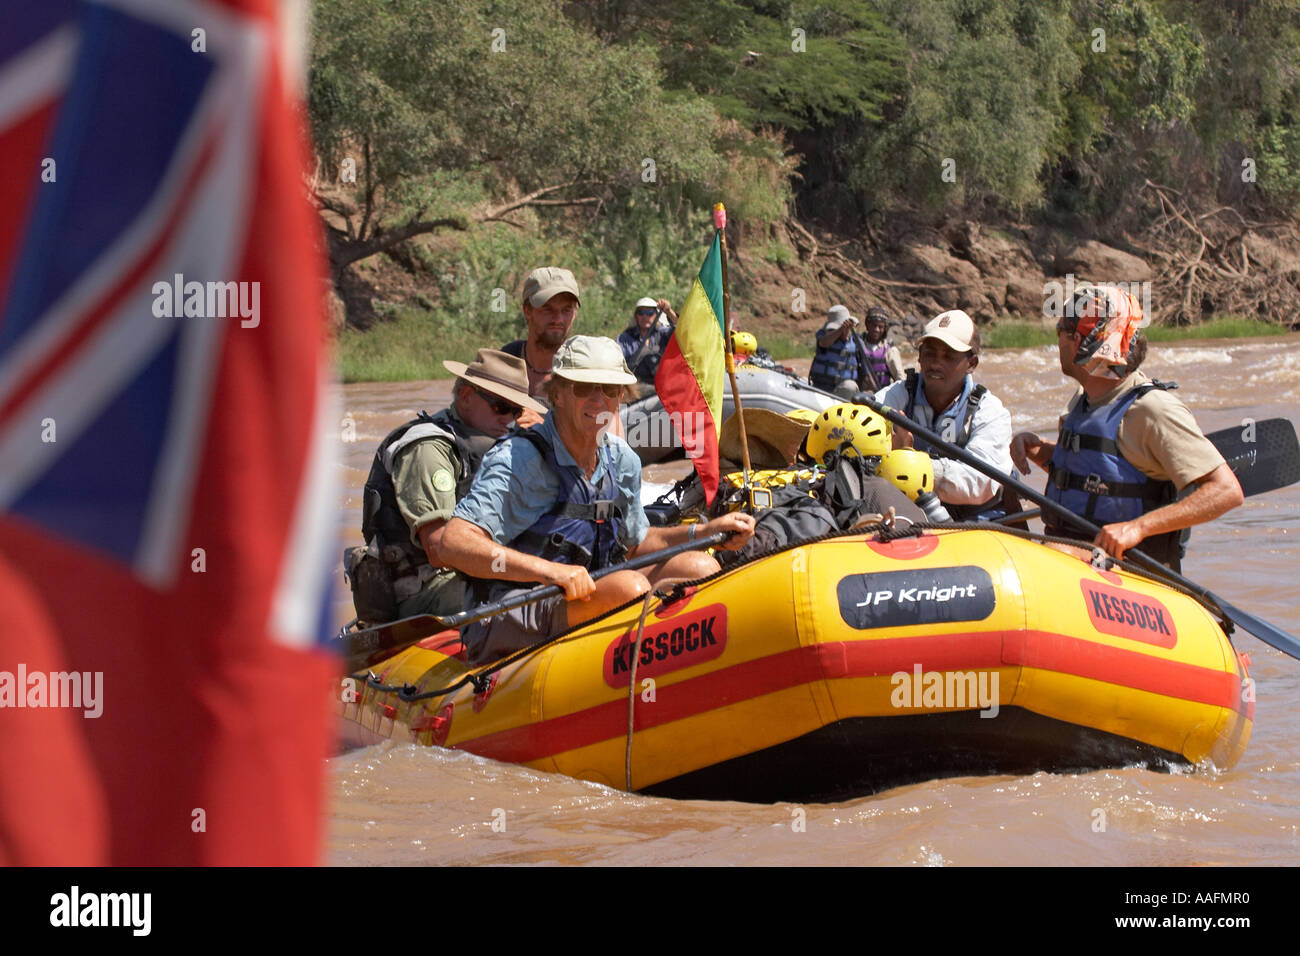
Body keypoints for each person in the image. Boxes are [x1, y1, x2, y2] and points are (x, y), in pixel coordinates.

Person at [440, 335, 756, 665]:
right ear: (558, 394)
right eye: (584, 388)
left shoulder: (622, 460)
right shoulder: (517, 461)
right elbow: (454, 542)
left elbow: (635, 544)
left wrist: (704, 533)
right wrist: (551, 573)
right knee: (628, 590)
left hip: (587, 598)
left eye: (610, 389)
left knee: (699, 566)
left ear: (622, 396)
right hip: (509, 610)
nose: (599, 400)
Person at [1010, 284, 1242, 570]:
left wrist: (1136, 528)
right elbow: (1100, 478)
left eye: (1063, 328)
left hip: (1128, 572)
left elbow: (1227, 490)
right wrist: (1041, 452)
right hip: (1076, 559)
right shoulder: (1085, 402)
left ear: (1087, 342)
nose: (1058, 337)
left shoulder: (1153, 409)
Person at [350, 349, 547, 622]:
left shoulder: (504, 444)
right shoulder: (429, 449)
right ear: (466, 397)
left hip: (470, 572)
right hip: (425, 590)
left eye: (516, 410)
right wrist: (532, 568)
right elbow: (440, 548)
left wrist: (545, 441)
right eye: (501, 407)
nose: (509, 419)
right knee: (533, 591)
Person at [872, 309, 1013, 520]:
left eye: (949, 355)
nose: (936, 364)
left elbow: (981, 482)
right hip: (914, 512)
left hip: (977, 519)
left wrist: (908, 462)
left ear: (971, 364)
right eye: (930, 353)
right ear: (919, 356)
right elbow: (861, 426)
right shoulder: (897, 395)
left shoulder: (990, 412)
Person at [501, 266, 582, 402]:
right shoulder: (505, 362)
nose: (558, 319)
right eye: (547, 309)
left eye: (566, 310)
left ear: (574, 315)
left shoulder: (583, 372)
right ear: (527, 311)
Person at [618, 296, 677, 384]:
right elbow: (617, 363)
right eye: (641, 313)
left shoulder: (662, 333)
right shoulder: (625, 338)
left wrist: (668, 311)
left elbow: (682, 330)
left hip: (662, 387)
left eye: (649, 313)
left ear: (656, 315)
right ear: (636, 316)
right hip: (637, 387)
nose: (645, 316)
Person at [809, 304, 864, 397]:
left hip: (843, 389)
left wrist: (845, 332)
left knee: (850, 386)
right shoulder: (823, 335)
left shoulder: (856, 341)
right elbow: (824, 343)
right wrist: (841, 329)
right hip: (822, 385)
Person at [860, 306, 905, 388]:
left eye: (880, 327)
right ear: (867, 325)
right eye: (874, 325)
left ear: (885, 329)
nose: (876, 329)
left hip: (881, 394)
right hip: (859, 394)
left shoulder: (890, 351)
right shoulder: (858, 346)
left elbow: (900, 378)